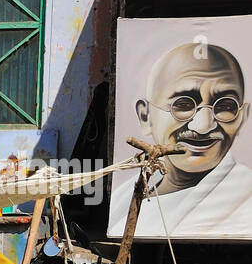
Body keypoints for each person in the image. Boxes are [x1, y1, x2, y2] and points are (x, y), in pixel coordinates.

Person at [108, 41, 252, 239]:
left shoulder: (246, 196)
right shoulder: (124, 197)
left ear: (242, 117)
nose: (203, 126)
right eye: (183, 104)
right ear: (145, 116)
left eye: (225, 106)